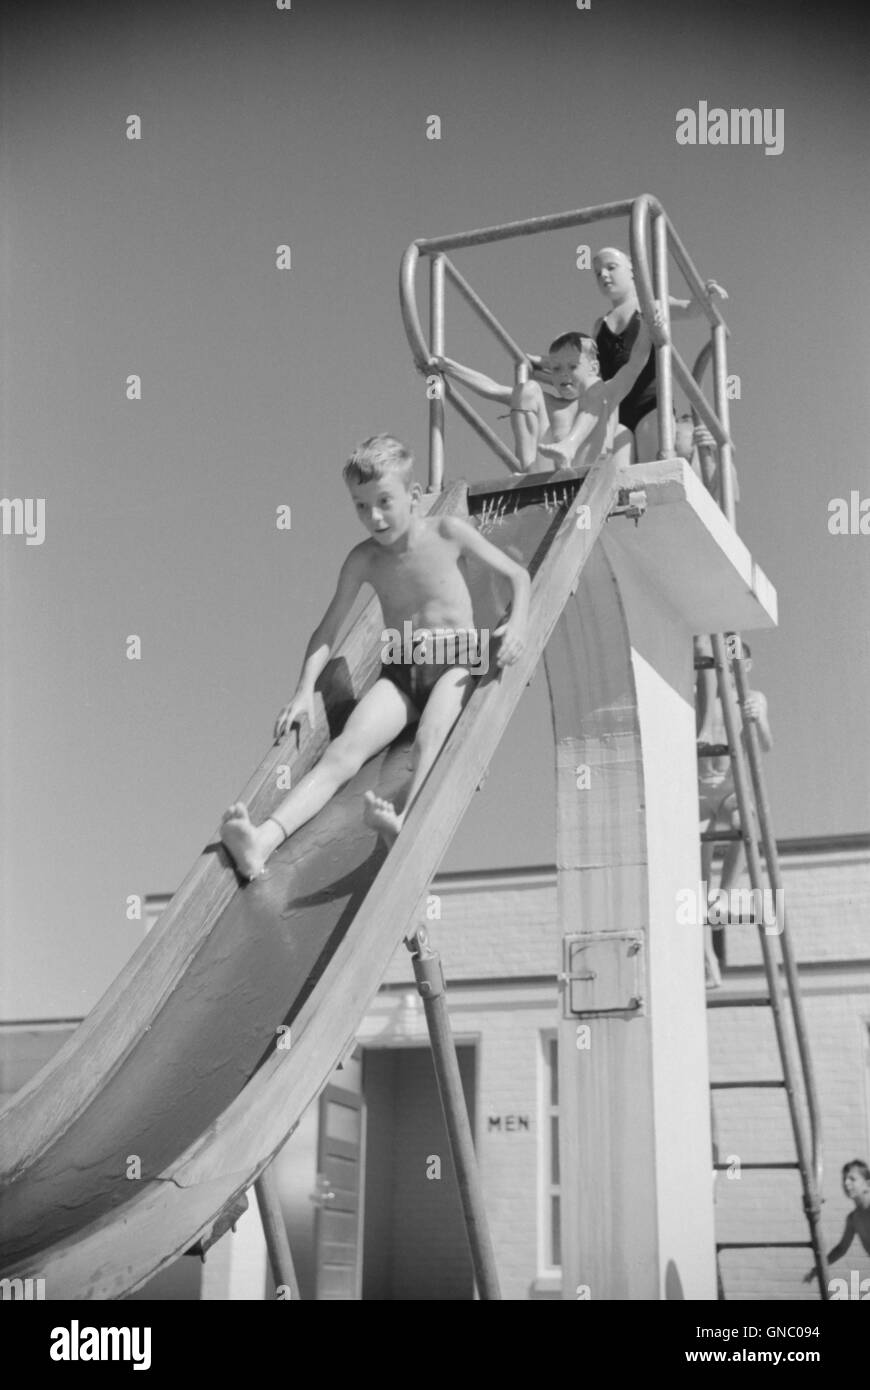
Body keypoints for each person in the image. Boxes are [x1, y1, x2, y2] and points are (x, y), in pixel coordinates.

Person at [220, 435, 531, 878]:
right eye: (361, 506)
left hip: (460, 661)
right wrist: (304, 691)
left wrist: (517, 623)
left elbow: (519, 576)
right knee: (343, 752)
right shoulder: (363, 559)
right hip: (402, 670)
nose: (374, 517)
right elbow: (328, 629)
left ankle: (404, 819)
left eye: (384, 501)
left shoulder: (448, 533)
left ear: (415, 495)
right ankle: (263, 841)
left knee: (430, 735)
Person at [433, 307, 663, 474]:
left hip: (591, 474)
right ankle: (527, 473)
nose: (563, 374)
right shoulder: (549, 404)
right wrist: (447, 366)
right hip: (545, 476)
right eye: (556, 368)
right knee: (527, 389)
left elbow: (635, 364)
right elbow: (491, 388)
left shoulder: (606, 394)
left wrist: (648, 327)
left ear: (593, 366)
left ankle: (568, 446)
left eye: (572, 366)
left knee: (597, 389)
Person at [592, 246, 727, 464]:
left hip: (650, 406)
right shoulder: (600, 325)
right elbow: (587, 367)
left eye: (611, 267)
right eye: (598, 273)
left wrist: (704, 295)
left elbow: (689, 310)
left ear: (632, 271)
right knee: (616, 478)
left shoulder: (652, 305)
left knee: (651, 467)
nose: (604, 275)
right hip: (615, 412)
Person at [696, 638, 772, 984]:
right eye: (723, 662)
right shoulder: (702, 694)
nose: (728, 668)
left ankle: (724, 897)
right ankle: (707, 954)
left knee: (747, 822)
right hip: (698, 790)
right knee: (695, 877)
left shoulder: (752, 700)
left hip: (727, 791)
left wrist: (758, 721)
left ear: (747, 667)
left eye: (735, 661)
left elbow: (766, 746)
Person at [803, 1160, 870, 1284]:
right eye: (844, 1179)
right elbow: (841, 1249)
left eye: (852, 1179)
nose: (846, 1183)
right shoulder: (853, 1218)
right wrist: (817, 1269)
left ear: (867, 1184)